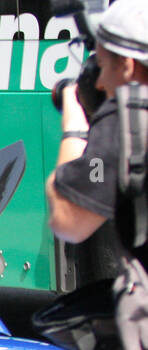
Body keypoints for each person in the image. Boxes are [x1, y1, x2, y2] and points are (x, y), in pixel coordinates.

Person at [48, 0, 148, 247]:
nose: (100, 83)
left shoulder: (128, 124)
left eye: (101, 66)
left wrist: (75, 130)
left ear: (127, 66)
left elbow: (68, 219)